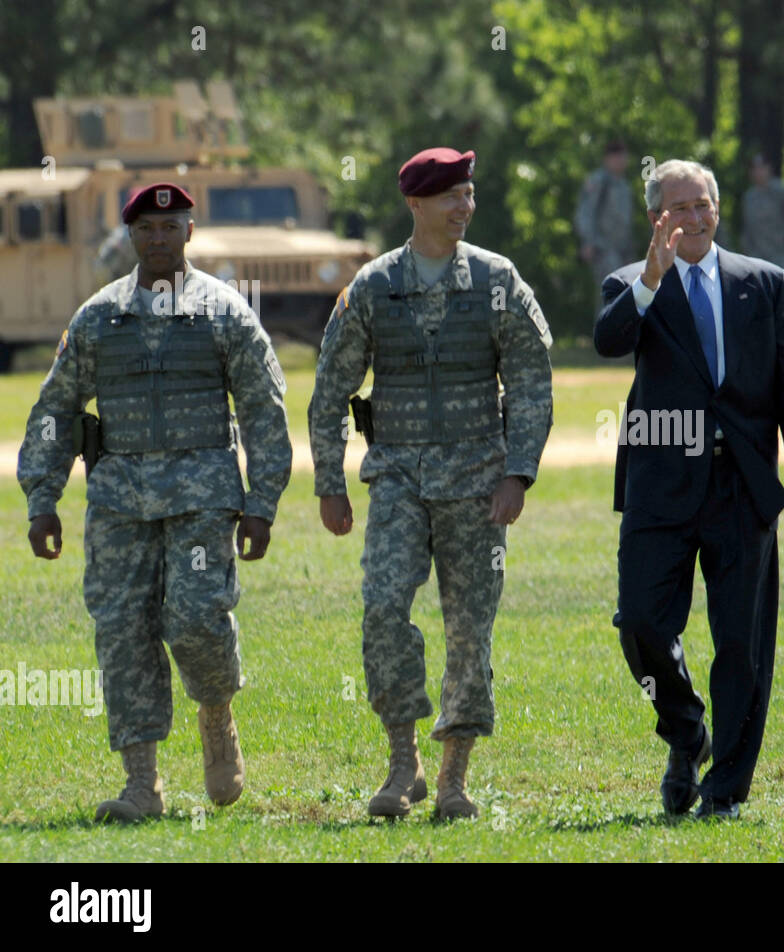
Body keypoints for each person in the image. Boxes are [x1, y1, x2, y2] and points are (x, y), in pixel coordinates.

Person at [18, 182, 292, 822]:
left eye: (172, 227)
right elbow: (57, 411)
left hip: (202, 502)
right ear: (132, 238)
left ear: (190, 232)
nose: (160, 239)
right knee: (123, 634)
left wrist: (263, 502)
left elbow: (263, 410)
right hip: (118, 506)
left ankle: (216, 711)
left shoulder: (225, 314)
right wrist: (42, 496)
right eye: (147, 229)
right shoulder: (97, 319)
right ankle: (142, 783)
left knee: (196, 618)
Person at [308, 147, 553, 820]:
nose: (465, 207)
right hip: (397, 479)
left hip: (479, 483)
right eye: (452, 197)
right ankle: (400, 761)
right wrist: (330, 482)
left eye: (470, 194)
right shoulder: (374, 285)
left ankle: (453, 780)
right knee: (384, 609)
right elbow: (332, 388)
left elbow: (531, 381)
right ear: (416, 204)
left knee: (469, 629)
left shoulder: (499, 282)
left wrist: (517, 473)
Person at [594, 158, 784, 821]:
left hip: (742, 485)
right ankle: (687, 729)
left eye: (703, 206)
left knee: (741, 644)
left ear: (717, 209)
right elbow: (609, 340)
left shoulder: (765, 283)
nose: (693, 219)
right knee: (639, 621)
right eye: (678, 209)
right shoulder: (630, 283)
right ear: (654, 219)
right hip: (660, 483)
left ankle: (725, 788)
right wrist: (650, 281)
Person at [575, 140, 638, 313]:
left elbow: (626, 223)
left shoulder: (624, 186)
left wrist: (629, 253)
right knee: (610, 293)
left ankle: (617, 337)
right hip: (602, 248)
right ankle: (604, 336)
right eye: (617, 156)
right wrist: (588, 242)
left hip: (621, 251)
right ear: (607, 159)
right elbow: (585, 213)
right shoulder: (599, 181)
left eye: (623, 156)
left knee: (623, 293)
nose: (621, 160)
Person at [740, 153, 784, 278]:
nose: (758, 172)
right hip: (755, 256)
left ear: (769, 169)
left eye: (761, 167)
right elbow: (747, 226)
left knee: (783, 292)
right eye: (754, 169)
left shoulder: (779, 190)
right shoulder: (749, 197)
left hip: (778, 255)